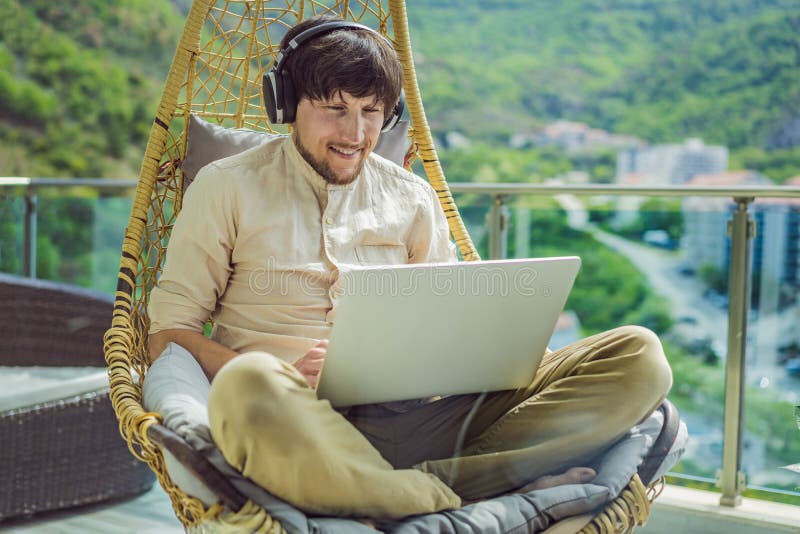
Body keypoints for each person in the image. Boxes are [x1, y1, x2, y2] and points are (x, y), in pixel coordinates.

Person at [147, 15, 672, 521]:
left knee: (640, 356)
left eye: (372, 111)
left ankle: (405, 487)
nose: (355, 132)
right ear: (286, 103)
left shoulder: (412, 199)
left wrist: (506, 353)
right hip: (297, 422)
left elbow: (449, 323)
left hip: (421, 417)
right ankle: (448, 491)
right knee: (247, 383)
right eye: (335, 108)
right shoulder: (226, 186)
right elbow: (166, 335)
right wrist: (279, 371)